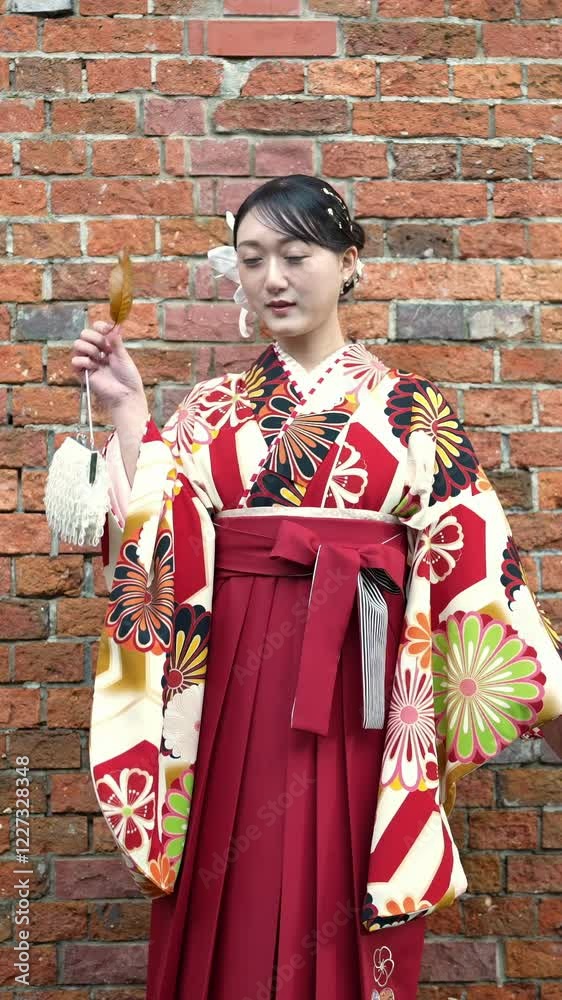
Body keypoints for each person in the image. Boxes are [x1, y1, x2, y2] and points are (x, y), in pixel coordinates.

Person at [71, 175, 562, 1000]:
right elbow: (161, 533)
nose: (274, 279)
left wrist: (540, 688)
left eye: (296, 256)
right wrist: (127, 412)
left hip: (366, 676)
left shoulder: (412, 407)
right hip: (231, 682)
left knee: (346, 868)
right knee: (230, 868)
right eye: (253, 259)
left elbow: (471, 552)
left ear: (348, 263)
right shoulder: (213, 408)